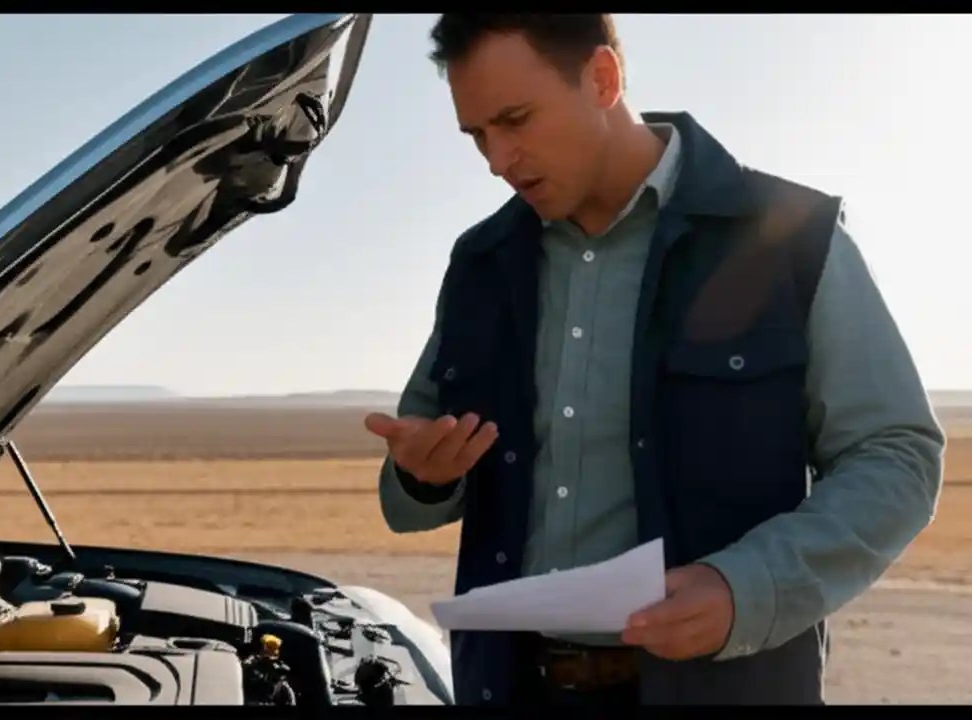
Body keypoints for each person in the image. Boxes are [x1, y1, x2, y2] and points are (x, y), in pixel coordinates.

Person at [364, 13, 945, 707]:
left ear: (603, 77)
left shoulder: (788, 238)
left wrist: (748, 588)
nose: (497, 159)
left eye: (515, 120)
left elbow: (896, 455)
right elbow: (413, 493)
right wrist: (423, 478)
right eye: (477, 135)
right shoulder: (480, 264)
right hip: (513, 686)